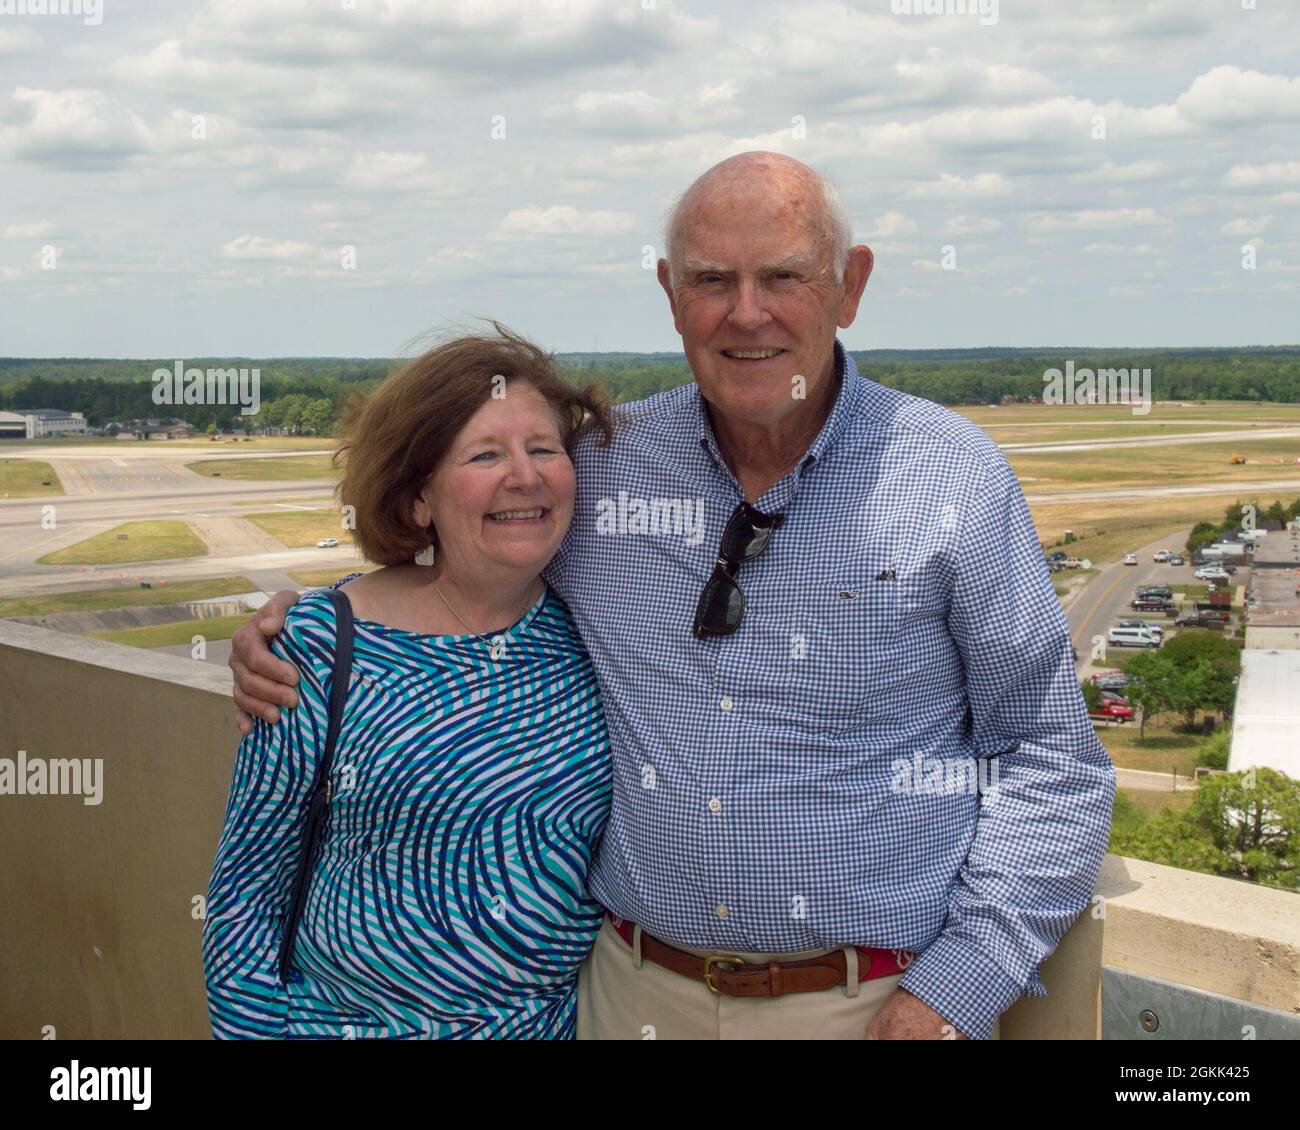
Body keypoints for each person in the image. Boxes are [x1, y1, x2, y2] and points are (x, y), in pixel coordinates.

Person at [229, 152, 1116, 1041]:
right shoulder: (602, 468)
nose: (746, 312)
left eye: (782, 277)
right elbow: (471, 554)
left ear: (850, 286)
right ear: (668, 292)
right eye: (710, 280)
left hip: (870, 1010)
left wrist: (957, 991)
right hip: (627, 998)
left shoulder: (951, 478)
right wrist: (302, 627)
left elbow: (1051, 761)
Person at [203, 326, 614, 1038]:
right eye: (485, 454)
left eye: (543, 448)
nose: (525, 475)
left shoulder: (598, 632)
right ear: (418, 498)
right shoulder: (323, 644)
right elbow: (246, 894)